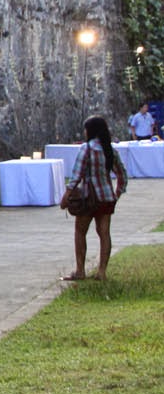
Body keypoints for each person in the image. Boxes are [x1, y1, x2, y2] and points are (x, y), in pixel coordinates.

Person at [59, 114, 128, 282]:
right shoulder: (110, 149)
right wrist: (116, 194)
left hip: (89, 198)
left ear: (90, 131)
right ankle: (102, 272)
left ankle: (80, 271)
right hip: (106, 198)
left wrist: (66, 196)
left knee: (80, 231)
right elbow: (122, 176)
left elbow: (77, 175)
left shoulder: (87, 148)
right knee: (104, 233)